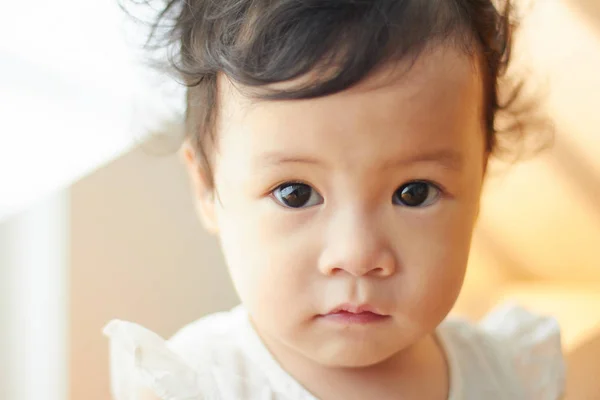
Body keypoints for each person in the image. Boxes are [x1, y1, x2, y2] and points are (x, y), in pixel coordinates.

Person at [104, 0, 568, 398]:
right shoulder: (199, 384)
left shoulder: (509, 374)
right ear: (207, 187)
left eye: (414, 193)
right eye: (296, 194)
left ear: (479, 184)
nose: (358, 255)